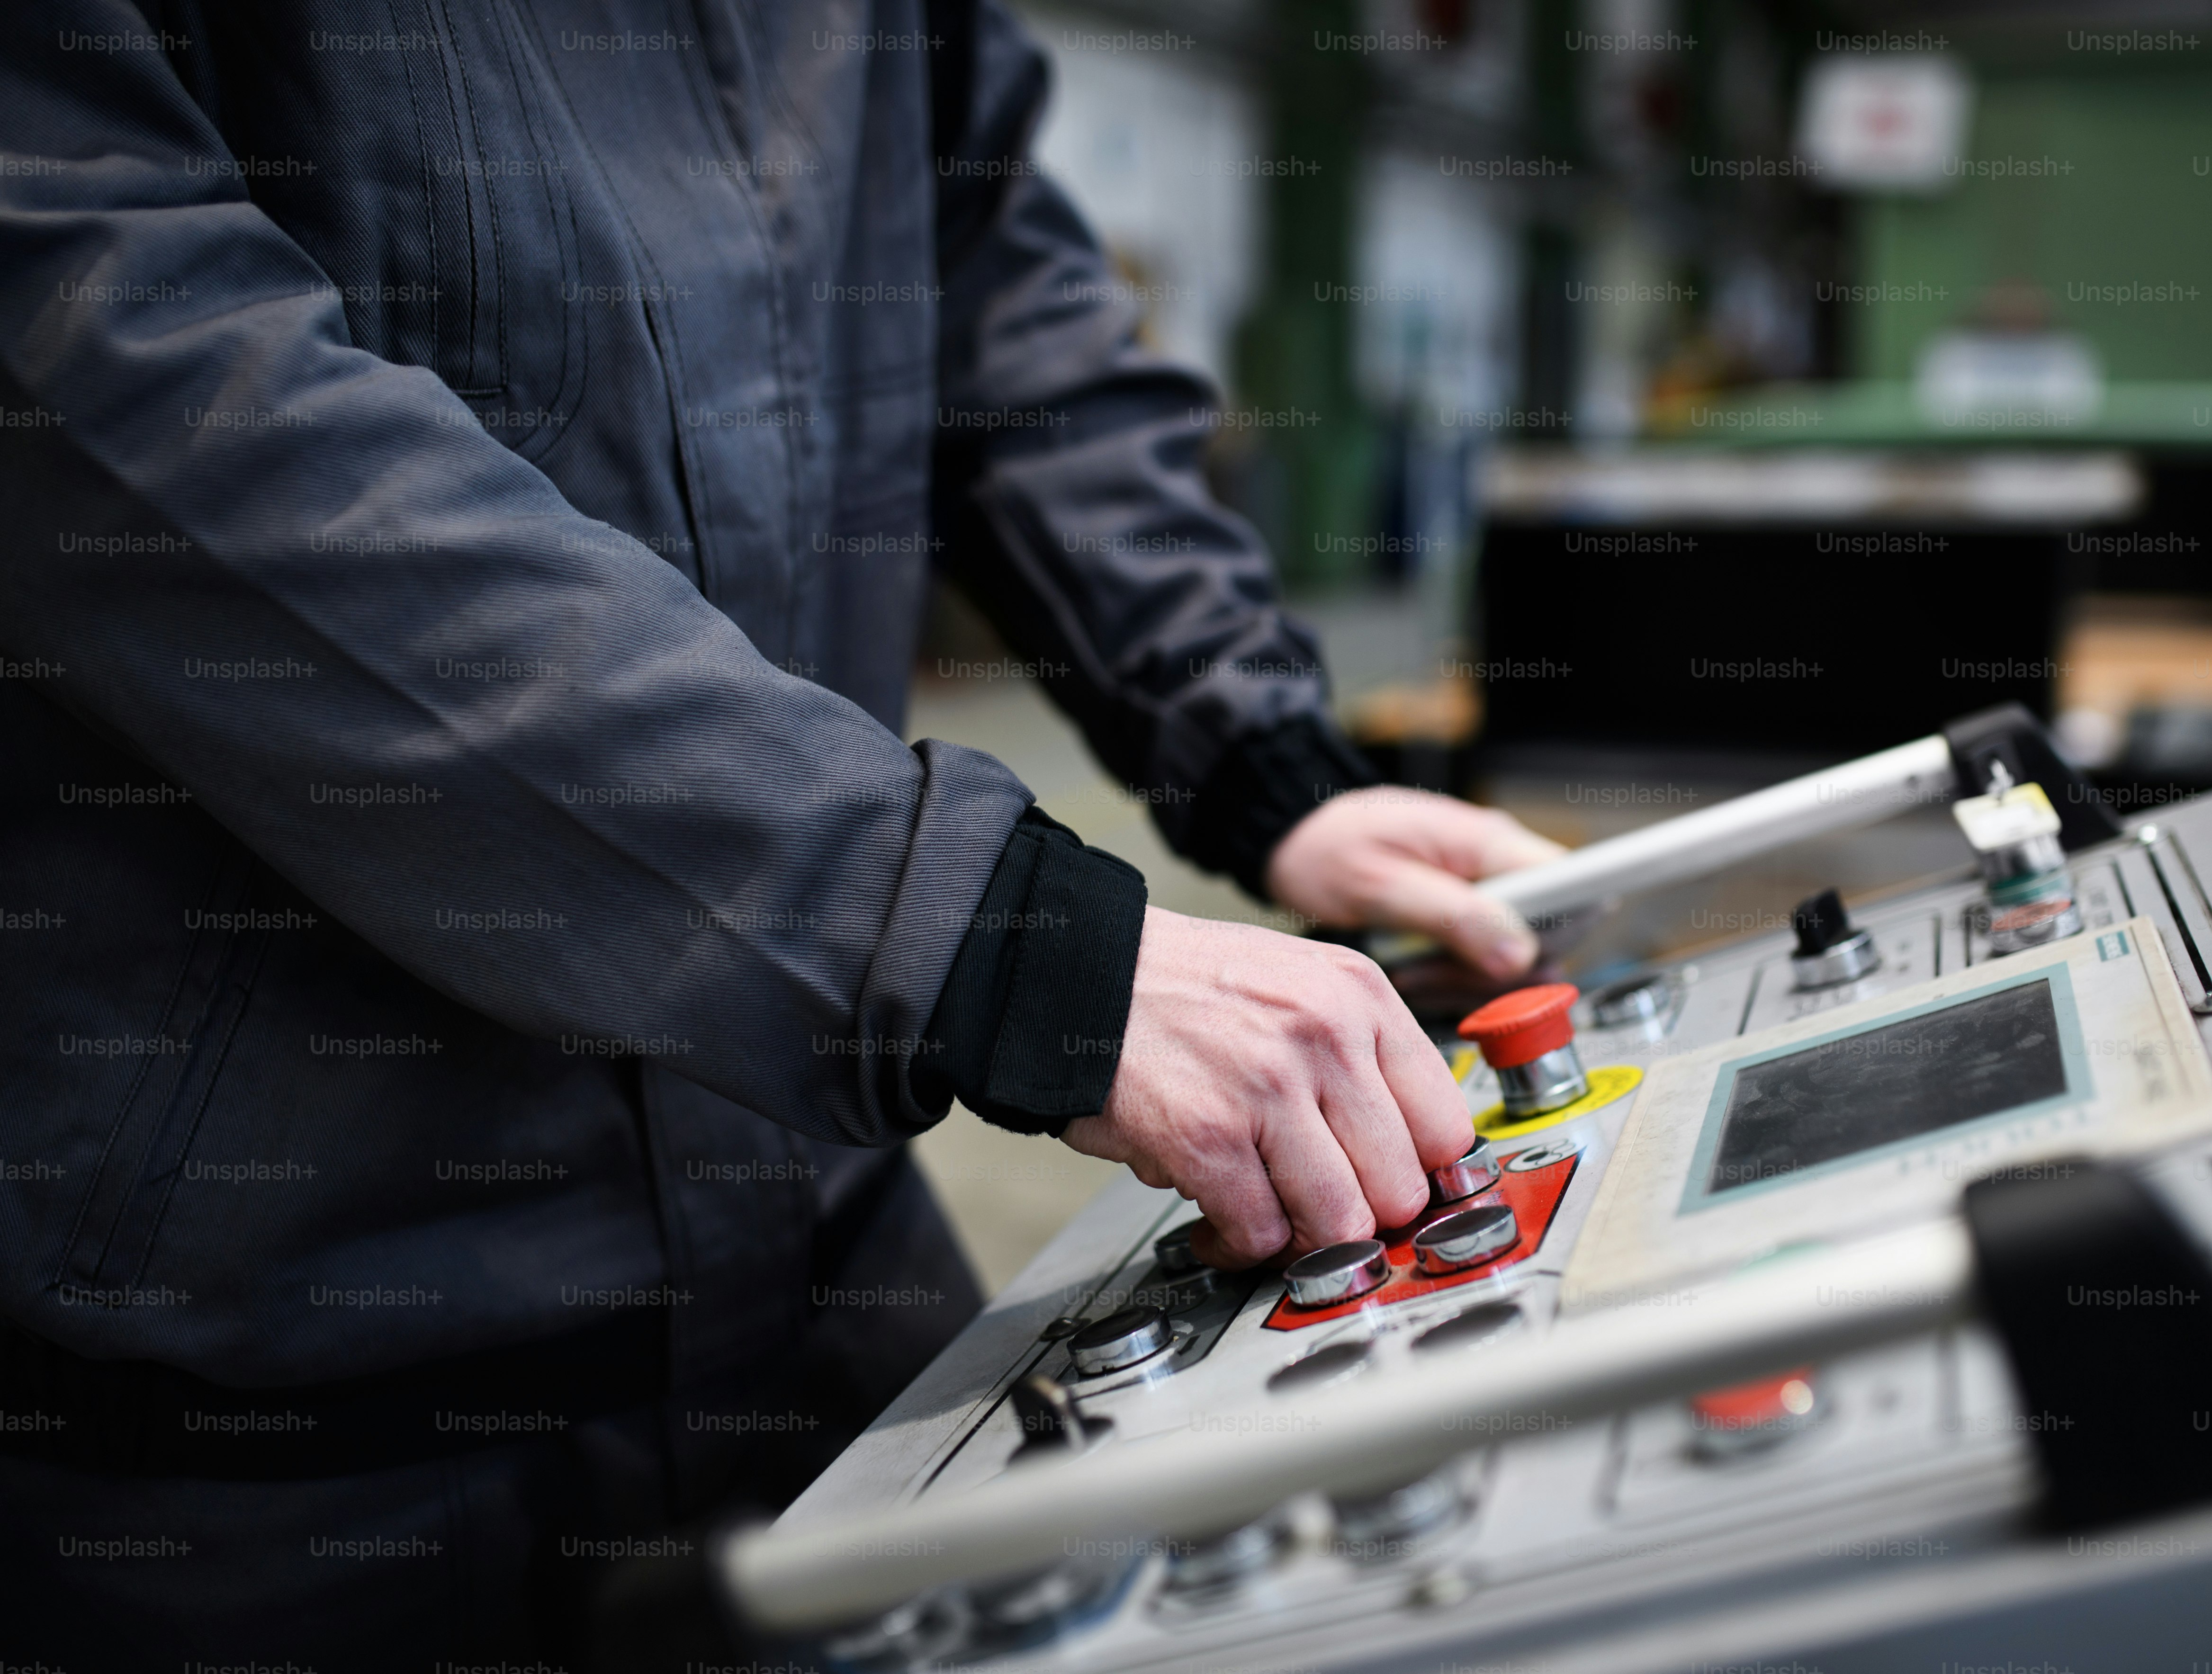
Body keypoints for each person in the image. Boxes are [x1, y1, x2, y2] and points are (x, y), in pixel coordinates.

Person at [0, 2, 1561, 1663]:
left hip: (821, 1258)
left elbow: (996, 303)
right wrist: (976, 940)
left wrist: (1258, 745)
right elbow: (133, 388)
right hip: (302, 1377)